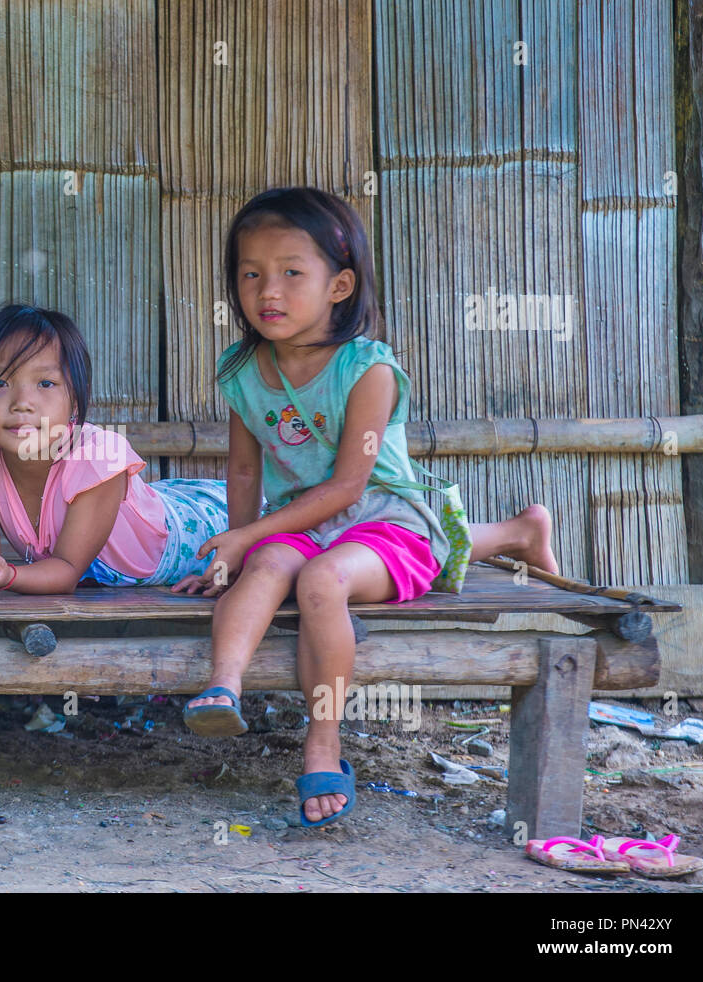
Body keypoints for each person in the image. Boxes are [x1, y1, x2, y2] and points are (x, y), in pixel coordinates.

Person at [173, 186, 557, 828]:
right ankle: (223, 687)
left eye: (292, 273)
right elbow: (243, 468)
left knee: (326, 580)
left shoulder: (367, 369)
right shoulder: (241, 368)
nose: (268, 291)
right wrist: (237, 552)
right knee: (266, 565)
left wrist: (251, 536)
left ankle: (323, 742)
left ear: (340, 285)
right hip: (304, 519)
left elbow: (350, 489)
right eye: (251, 274)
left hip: (385, 517)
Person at [0, 304, 230, 593]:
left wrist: (10, 578)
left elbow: (64, 572)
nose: (22, 403)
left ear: (75, 398)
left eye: (46, 383)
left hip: (202, 528)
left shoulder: (97, 458)